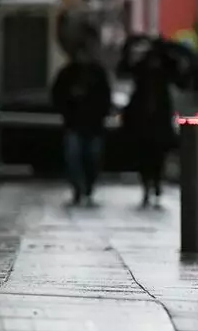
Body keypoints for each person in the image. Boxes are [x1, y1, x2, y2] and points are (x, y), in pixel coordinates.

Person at [50, 36, 112, 206]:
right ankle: (79, 187)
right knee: (75, 157)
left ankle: (87, 186)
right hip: (75, 124)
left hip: (92, 125)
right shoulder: (68, 73)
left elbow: (105, 98)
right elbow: (57, 95)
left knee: (91, 157)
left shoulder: (97, 74)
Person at [119, 40, 179, 208]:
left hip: (158, 121)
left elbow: (176, 72)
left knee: (157, 155)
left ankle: (155, 183)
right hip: (144, 121)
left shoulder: (163, 69)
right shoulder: (142, 70)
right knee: (145, 156)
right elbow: (126, 69)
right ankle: (148, 186)